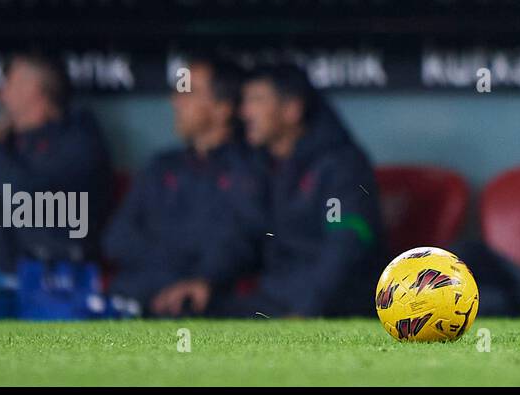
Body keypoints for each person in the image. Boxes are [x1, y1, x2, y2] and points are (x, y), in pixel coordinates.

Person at [212, 64, 383, 318]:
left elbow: (347, 241)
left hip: (337, 304)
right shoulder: (261, 166)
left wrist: (307, 308)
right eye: (245, 101)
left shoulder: (340, 165)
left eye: (257, 100)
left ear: (292, 109)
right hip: (275, 298)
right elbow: (244, 237)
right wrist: (206, 281)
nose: (245, 112)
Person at [103, 57, 263, 315]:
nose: (175, 101)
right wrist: (173, 274)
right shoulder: (161, 166)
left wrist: (197, 279)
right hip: (138, 295)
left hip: (210, 304)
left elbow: (238, 244)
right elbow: (117, 239)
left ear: (223, 108)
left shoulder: (252, 168)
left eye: (187, 91)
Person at [0, 54, 113, 268]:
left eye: (10, 83)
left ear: (35, 89)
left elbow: (28, 202)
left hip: (50, 277)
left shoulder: (78, 141)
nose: (1, 94)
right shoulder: (7, 144)